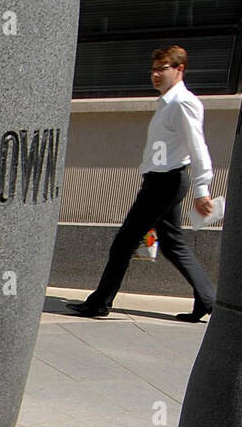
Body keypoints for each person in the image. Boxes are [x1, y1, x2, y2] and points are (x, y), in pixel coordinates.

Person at [68, 45, 216, 322]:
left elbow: (198, 147)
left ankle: (100, 302)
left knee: (125, 242)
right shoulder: (167, 104)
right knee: (173, 244)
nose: (156, 74)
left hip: (166, 183)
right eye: (154, 69)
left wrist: (202, 190)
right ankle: (207, 300)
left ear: (179, 69)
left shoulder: (183, 103)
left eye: (163, 68)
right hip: (161, 181)